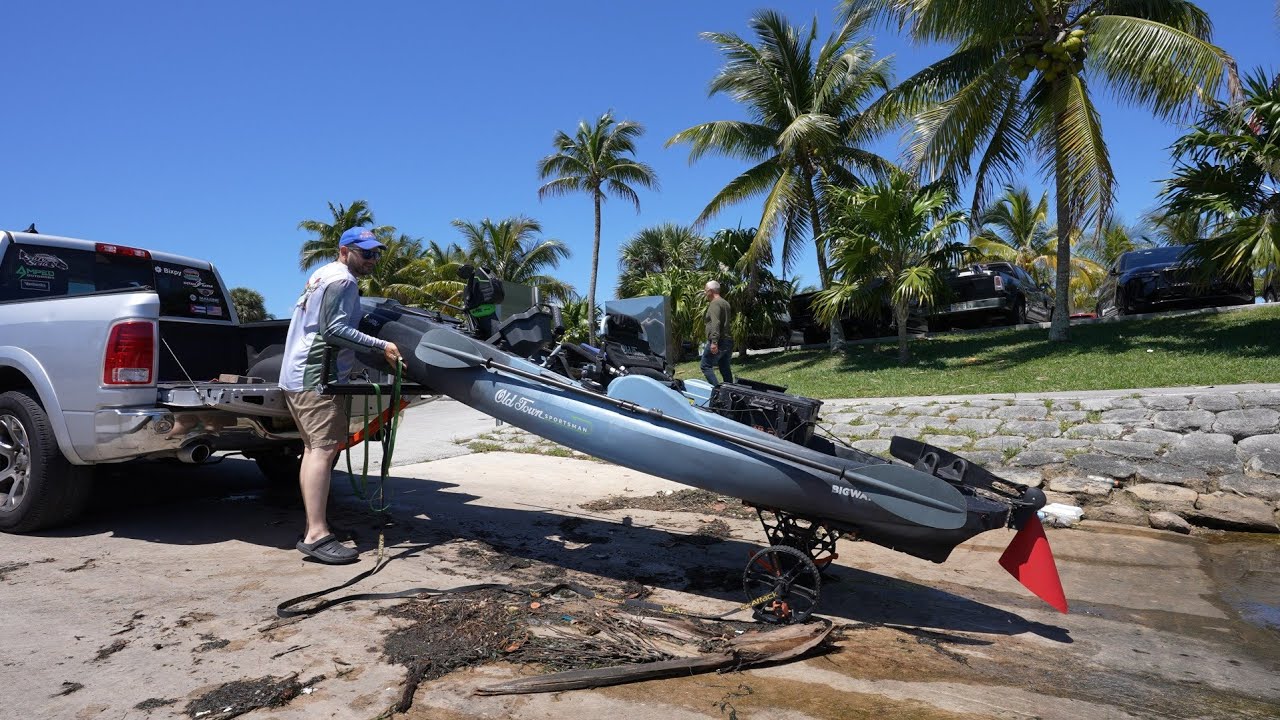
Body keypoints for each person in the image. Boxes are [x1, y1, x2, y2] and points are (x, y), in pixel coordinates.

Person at [279, 227, 403, 564]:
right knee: (322, 450)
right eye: (366, 253)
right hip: (316, 377)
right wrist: (382, 345)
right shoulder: (344, 281)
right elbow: (332, 330)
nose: (372, 259)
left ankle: (315, 526)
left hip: (297, 375)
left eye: (376, 253)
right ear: (344, 250)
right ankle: (316, 535)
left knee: (313, 449)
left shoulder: (321, 274)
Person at [700, 280, 733, 386]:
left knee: (705, 365)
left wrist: (714, 342)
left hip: (719, 340)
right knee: (724, 367)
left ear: (710, 291)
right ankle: (731, 390)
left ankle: (718, 390)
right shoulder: (725, 303)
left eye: (705, 290)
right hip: (728, 340)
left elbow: (716, 322)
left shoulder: (715, 303)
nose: (705, 293)